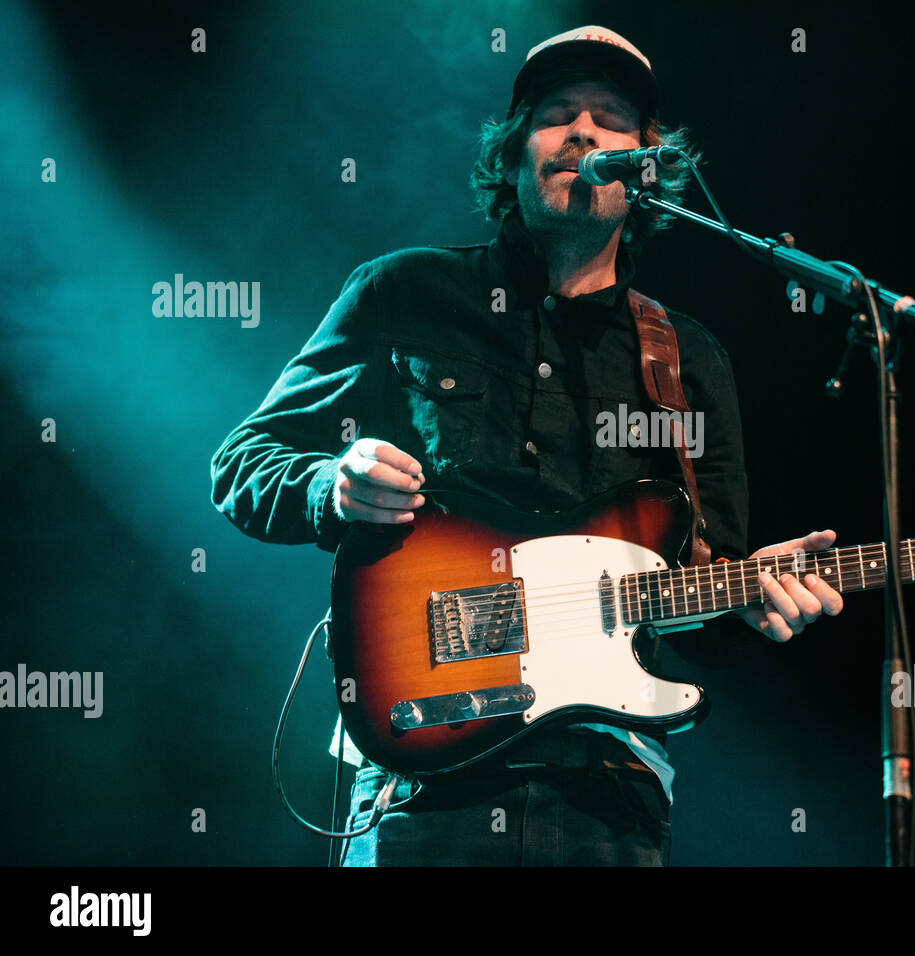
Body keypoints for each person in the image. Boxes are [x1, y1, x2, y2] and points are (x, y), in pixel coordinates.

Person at [210, 25, 843, 866]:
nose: (585, 133)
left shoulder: (686, 358)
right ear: (513, 153)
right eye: (558, 114)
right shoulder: (405, 291)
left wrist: (752, 595)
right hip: (422, 778)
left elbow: (698, 589)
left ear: (648, 167)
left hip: (608, 789)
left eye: (613, 119)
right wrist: (333, 483)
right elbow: (242, 462)